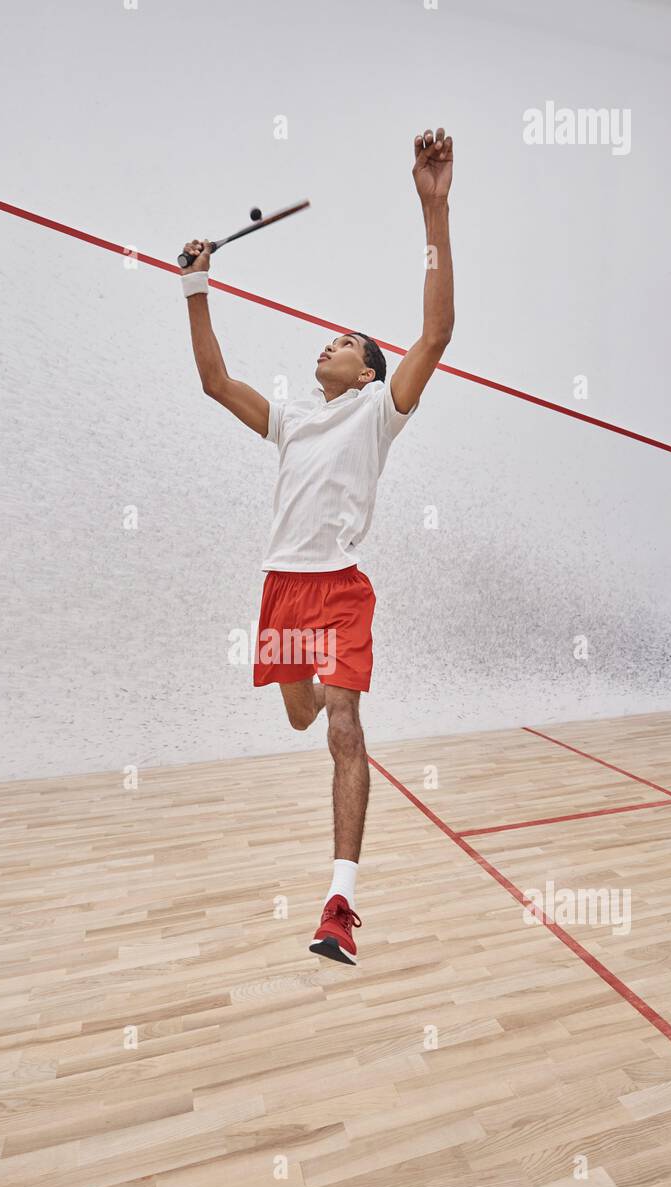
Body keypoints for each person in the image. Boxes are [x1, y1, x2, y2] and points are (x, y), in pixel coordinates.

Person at [180, 128, 455, 964]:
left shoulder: (380, 410)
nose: (325, 345)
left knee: (341, 725)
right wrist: (195, 287)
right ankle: (310, 714)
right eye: (327, 340)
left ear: (368, 371)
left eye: (342, 342)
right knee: (301, 715)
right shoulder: (293, 419)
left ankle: (339, 903)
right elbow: (214, 383)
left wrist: (432, 208)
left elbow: (436, 334)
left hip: (338, 588)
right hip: (281, 592)